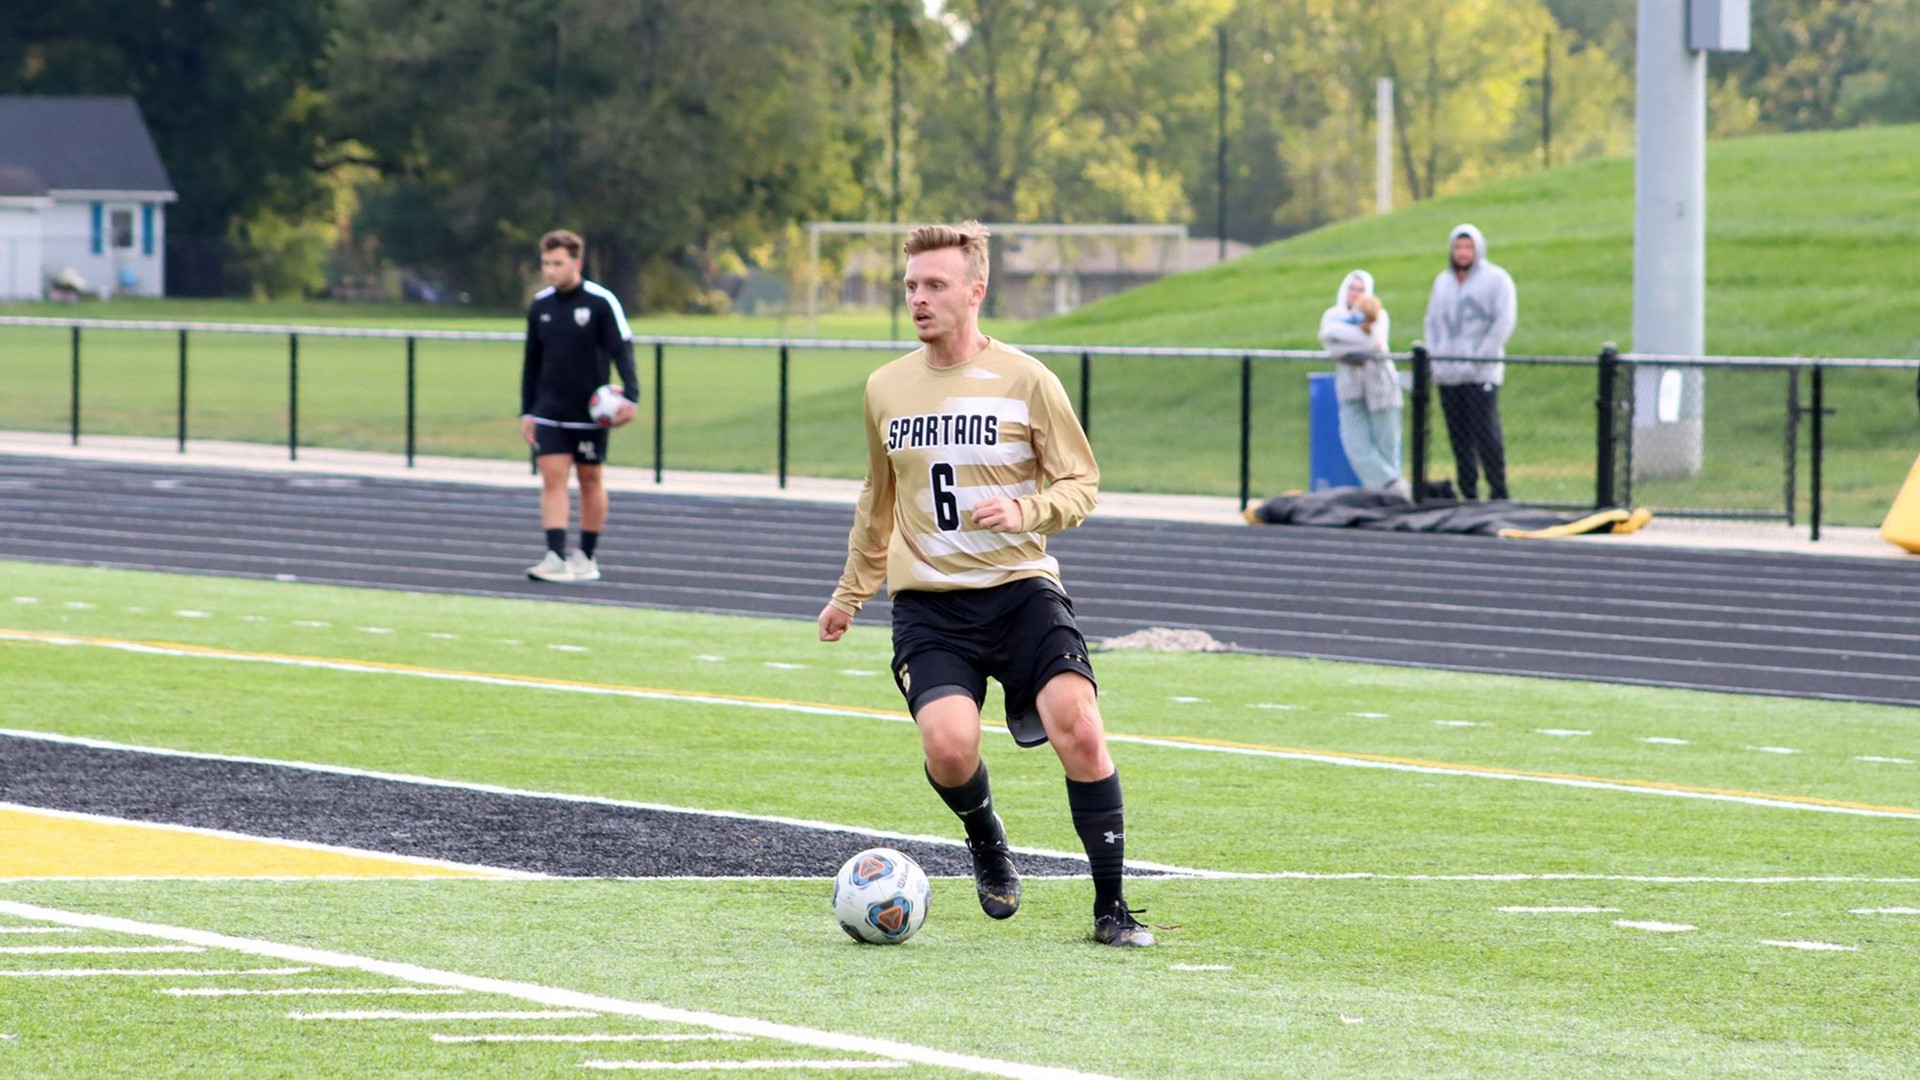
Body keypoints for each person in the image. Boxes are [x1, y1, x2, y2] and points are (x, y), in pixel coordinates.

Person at [816, 221, 1153, 948]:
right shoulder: (885, 388)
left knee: (1081, 726)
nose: (918, 299)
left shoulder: (1028, 379)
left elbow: (1082, 483)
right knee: (947, 745)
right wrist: (850, 594)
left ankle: (1112, 908)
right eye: (910, 285)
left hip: (1021, 588)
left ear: (977, 290)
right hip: (931, 608)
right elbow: (877, 502)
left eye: (935, 284)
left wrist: (1029, 508)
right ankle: (985, 835)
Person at [519, 230, 639, 582]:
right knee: (553, 477)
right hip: (549, 411)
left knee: (590, 479)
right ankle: (555, 554)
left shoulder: (601, 302)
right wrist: (527, 410)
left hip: (589, 414)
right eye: (546, 263)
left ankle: (585, 555)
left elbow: (623, 350)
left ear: (576, 263)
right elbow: (531, 363)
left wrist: (630, 396)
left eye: (557, 263)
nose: (550, 270)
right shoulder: (540, 306)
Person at [1423, 223, 1517, 501]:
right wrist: (1436, 359)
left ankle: (1499, 492)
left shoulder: (1496, 280)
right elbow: (1432, 322)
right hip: (1448, 375)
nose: (1463, 252)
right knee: (1459, 438)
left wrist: (1478, 360)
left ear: (1478, 249)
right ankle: (1469, 493)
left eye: (1468, 247)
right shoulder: (1443, 282)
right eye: (1458, 247)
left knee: (1486, 435)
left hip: (1480, 374)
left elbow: (1503, 322)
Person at [1317, 270, 1407, 498]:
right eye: (1352, 288)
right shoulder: (1332, 315)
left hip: (1380, 385)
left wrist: (1345, 341)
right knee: (1355, 444)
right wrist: (1357, 341)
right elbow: (1330, 344)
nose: (1355, 294)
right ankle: (1393, 487)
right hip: (1350, 387)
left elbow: (1375, 343)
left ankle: (1383, 497)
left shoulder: (1377, 314)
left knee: (1387, 443)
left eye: (1361, 289)